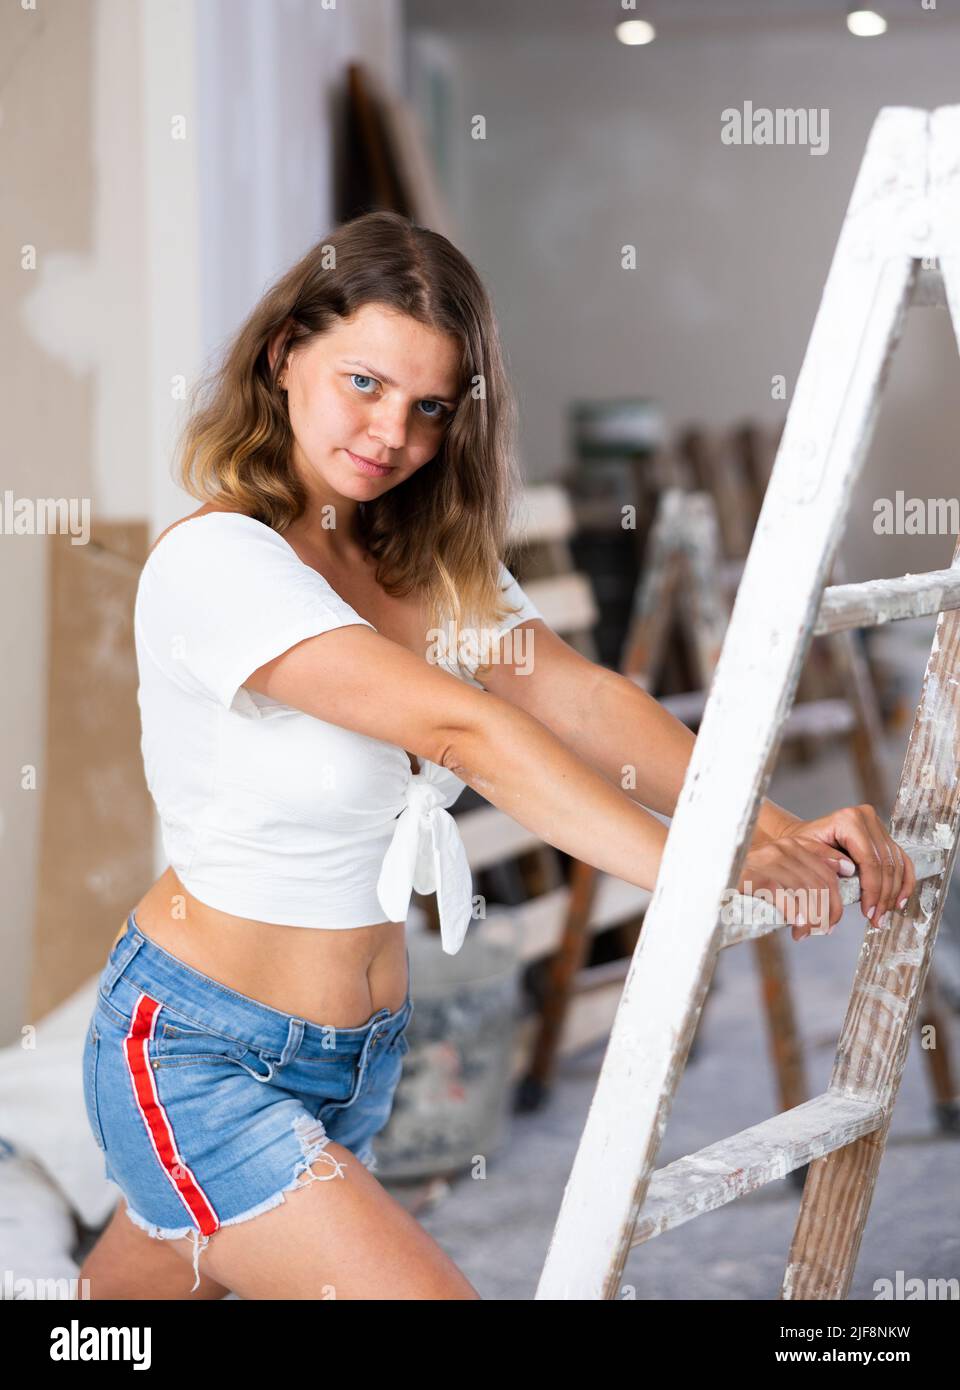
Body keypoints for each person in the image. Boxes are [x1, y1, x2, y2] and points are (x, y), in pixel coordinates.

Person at [79, 210, 914, 1301]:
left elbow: (584, 700)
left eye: (430, 408)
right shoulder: (220, 562)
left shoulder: (414, 559)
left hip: (353, 1060)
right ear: (285, 355)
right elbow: (465, 728)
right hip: (197, 1052)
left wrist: (777, 829)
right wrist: (707, 867)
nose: (394, 435)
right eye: (364, 384)